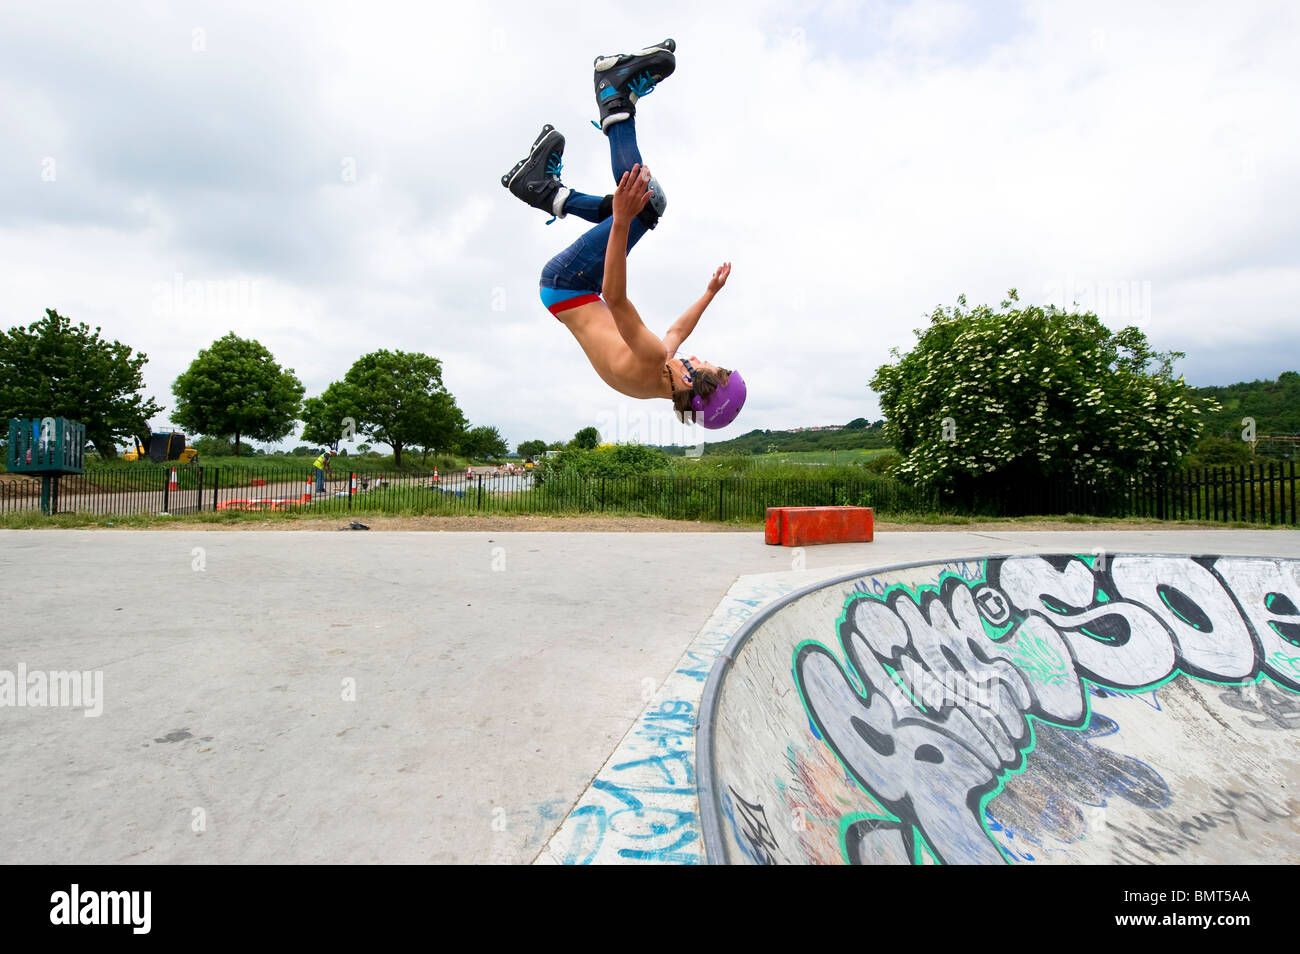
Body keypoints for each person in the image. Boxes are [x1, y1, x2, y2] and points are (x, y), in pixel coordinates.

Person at [501, 38, 747, 429]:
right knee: (637, 207)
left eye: (704, 365)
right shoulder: (660, 373)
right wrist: (709, 294)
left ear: (694, 382)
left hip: (569, 283)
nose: (699, 358)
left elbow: (616, 298)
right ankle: (544, 190)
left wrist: (620, 220)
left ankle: (613, 93)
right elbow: (676, 331)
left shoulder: (653, 361)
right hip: (574, 291)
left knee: (644, 204)